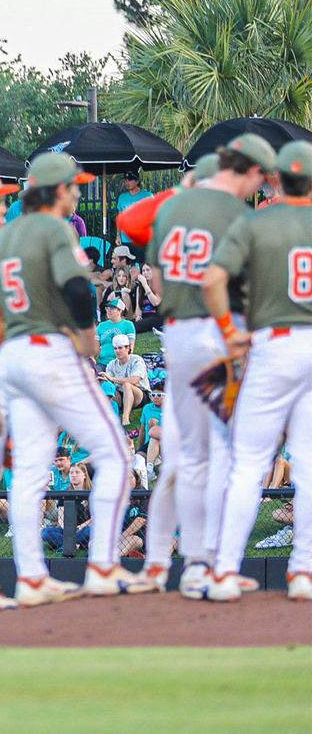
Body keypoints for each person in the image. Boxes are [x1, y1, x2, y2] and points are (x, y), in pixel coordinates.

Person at [0, 151, 156, 601]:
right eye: (72, 185)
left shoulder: (3, 236)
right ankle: (103, 566)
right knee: (115, 457)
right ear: (56, 189)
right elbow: (78, 288)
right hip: (48, 349)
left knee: (30, 473)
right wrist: (86, 336)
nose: (77, 192)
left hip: (12, 353)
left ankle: (31, 577)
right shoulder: (54, 228)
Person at [132, 134, 272, 596]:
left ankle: (193, 565)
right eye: (259, 178)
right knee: (225, 452)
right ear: (250, 171)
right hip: (219, 334)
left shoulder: (173, 207)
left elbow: (155, 277)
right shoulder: (236, 214)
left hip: (178, 335)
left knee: (192, 454)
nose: (258, 187)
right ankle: (213, 564)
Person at [200, 139, 312, 602]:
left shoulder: (255, 222)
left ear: (275, 178)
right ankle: (303, 571)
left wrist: (230, 331)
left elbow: (212, 279)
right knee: (309, 464)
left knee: (248, 463)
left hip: (272, 345)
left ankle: (225, 571)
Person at [115, 172, 153, 243]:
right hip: (125, 238)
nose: (127, 183)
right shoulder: (122, 197)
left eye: (130, 180)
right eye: (125, 180)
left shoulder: (147, 196)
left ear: (137, 181)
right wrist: (118, 235)